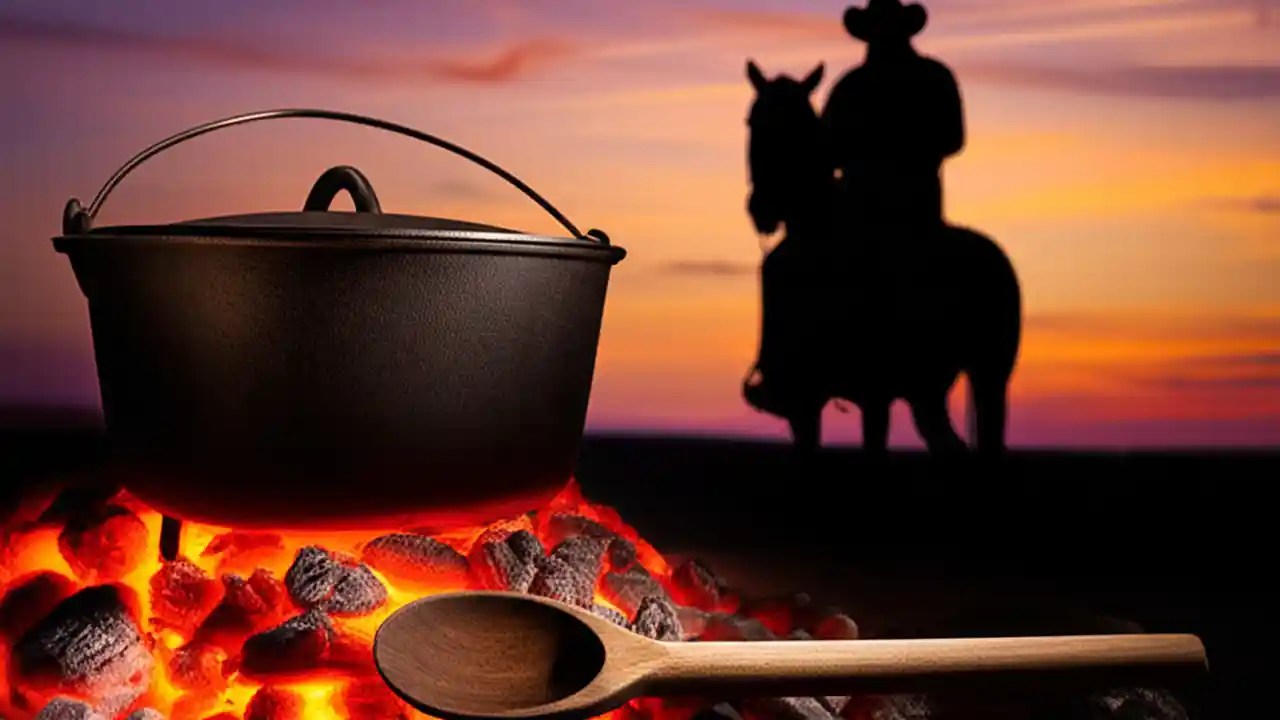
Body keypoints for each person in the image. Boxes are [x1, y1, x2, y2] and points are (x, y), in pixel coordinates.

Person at [821, 0, 964, 231]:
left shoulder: (849, 87)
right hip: (860, 207)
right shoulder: (850, 86)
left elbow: (953, 139)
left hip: (916, 206)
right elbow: (825, 152)